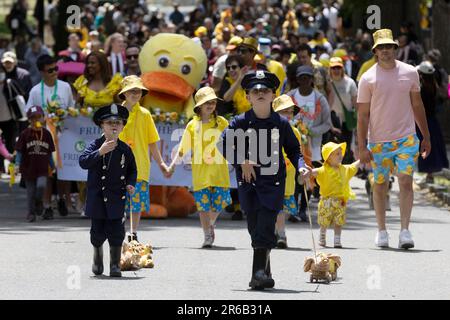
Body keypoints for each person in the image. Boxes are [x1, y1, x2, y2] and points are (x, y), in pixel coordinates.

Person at [218, 70, 310, 290]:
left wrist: (302, 167)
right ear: (248, 96)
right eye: (255, 90)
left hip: (273, 184)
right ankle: (264, 271)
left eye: (265, 90)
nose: (260, 93)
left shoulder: (281, 123)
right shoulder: (239, 122)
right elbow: (221, 145)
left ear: (272, 95)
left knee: (266, 225)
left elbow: (294, 151)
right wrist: (242, 161)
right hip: (248, 185)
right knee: (254, 226)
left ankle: (257, 274)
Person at [357, 29, 431, 249]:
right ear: (375, 51)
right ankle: (381, 230)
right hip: (379, 141)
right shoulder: (368, 78)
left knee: (406, 181)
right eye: (381, 48)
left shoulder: (410, 72)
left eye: (389, 47)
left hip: (407, 138)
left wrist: (425, 136)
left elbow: (417, 105)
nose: (385, 51)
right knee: (380, 185)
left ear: (395, 49)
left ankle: (405, 231)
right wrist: (362, 147)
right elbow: (362, 115)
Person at [79, 104, 137, 277]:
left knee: (116, 232)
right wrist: (99, 152)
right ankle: (97, 257)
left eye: (118, 122)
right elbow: (83, 162)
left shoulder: (125, 149)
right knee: (97, 233)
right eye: (109, 122)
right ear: (101, 125)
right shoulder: (95, 145)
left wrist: (130, 183)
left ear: (122, 126)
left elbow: (132, 169)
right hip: (97, 197)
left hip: (116, 197)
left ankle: (114, 265)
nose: (114, 125)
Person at [169, 87, 232, 248]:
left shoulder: (222, 123)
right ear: (199, 106)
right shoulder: (192, 125)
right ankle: (207, 235)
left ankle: (210, 223)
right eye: (206, 103)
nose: (210, 105)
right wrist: (172, 165)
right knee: (203, 206)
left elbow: (232, 144)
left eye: (212, 102)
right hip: (200, 172)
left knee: (220, 202)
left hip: (219, 171)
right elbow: (182, 147)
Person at [118, 75, 170, 242]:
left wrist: (161, 162)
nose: (135, 93)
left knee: (137, 203)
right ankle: (118, 231)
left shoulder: (145, 114)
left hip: (140, 165)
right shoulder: (116, 113)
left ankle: (133, 233)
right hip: (118, 165)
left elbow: (152, 142)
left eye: (138, 90)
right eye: (132, 90)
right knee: (118, 202)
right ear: (124, 93)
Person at [73, 51, 123, 216]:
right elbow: (75, 109)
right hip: (84, 135)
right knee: (88, 166)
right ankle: (84, 201)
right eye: (88, 63)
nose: (90, 66)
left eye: (93, 62)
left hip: (108, 136)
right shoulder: (81, 84)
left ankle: (108, 205)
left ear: (102, 63)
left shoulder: (115, 83)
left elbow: (120, 108)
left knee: (109, 170)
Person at [26, 54, 75, 218]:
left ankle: (62, 199)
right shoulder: (35, 91)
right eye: (50, 70)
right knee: (47, 171)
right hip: (43, 137)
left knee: (63, 170)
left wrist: (62, 115)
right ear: (41, 72)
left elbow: (71, 109)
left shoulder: (65, 87)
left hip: (64, 135)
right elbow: (29, 114)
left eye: (56, 68)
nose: (55, 72)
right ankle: (47, 205)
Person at [287, 65, 332, 222]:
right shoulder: (290, 96)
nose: (304, 81)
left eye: (307, 78)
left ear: (312, 80)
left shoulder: (319, 99)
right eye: (301, 78)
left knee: (306, 178)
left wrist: (310, 131)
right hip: (292, 144)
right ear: (297, 80)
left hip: (311, 147)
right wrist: (293, 128)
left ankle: (303, 209)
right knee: (293, 177)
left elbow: (327, 123)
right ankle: (293, 208)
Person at [310, 142, 360, 248]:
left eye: (341, 153)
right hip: (326, 201)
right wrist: (307, 173)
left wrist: (361, 160)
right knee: (324, 221)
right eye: (337, 154)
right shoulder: (323, 170)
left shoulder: (344, 169)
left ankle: (337, 239)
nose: (340, 155)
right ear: (328, 157)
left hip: (340, 201)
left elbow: (353, 166)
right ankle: (322, 236)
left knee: (339, 221)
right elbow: (314, 172)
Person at [15, 106, 55, 222]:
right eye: (33, 118)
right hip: (28, 167)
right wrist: (17, 164)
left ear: (43, 118)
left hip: (42, 168)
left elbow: (49, 153)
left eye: (39, 117)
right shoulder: (25, 133)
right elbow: (19, 151)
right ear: (29, 120)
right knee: (30, 192)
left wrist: (52, 166)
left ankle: (39, 202)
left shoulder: (47, 134)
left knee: (41, 186)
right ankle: (31, 213)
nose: (36, 120)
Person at [272, 94, 302, 249]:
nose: (288, 115)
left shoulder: (295, 132)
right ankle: (278, 233)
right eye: (284, 111)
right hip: (271, 175)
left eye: (290, 112)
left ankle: (279, 232)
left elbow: (298, 154)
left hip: (288, 175)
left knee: (283, 208)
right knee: (275, 207)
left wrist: (302, 170)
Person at [415, 61, 449, 183]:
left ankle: (429, 173)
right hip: (432, 121)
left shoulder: (422, 89)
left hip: (423, 122)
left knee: (424, 147)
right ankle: (431, 174)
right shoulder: (434, 86)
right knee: (433, 147)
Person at [329, 57, 357, 163]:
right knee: (333, 148)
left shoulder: (350, 82)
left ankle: (344, 169)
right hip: (332, 119)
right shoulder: (327, 83)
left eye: (338, 67)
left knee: (346, 145)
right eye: (333, 68)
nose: (336, 70)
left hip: (347, 119)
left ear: (342, 69)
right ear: (330, 69)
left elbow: (355, 102)